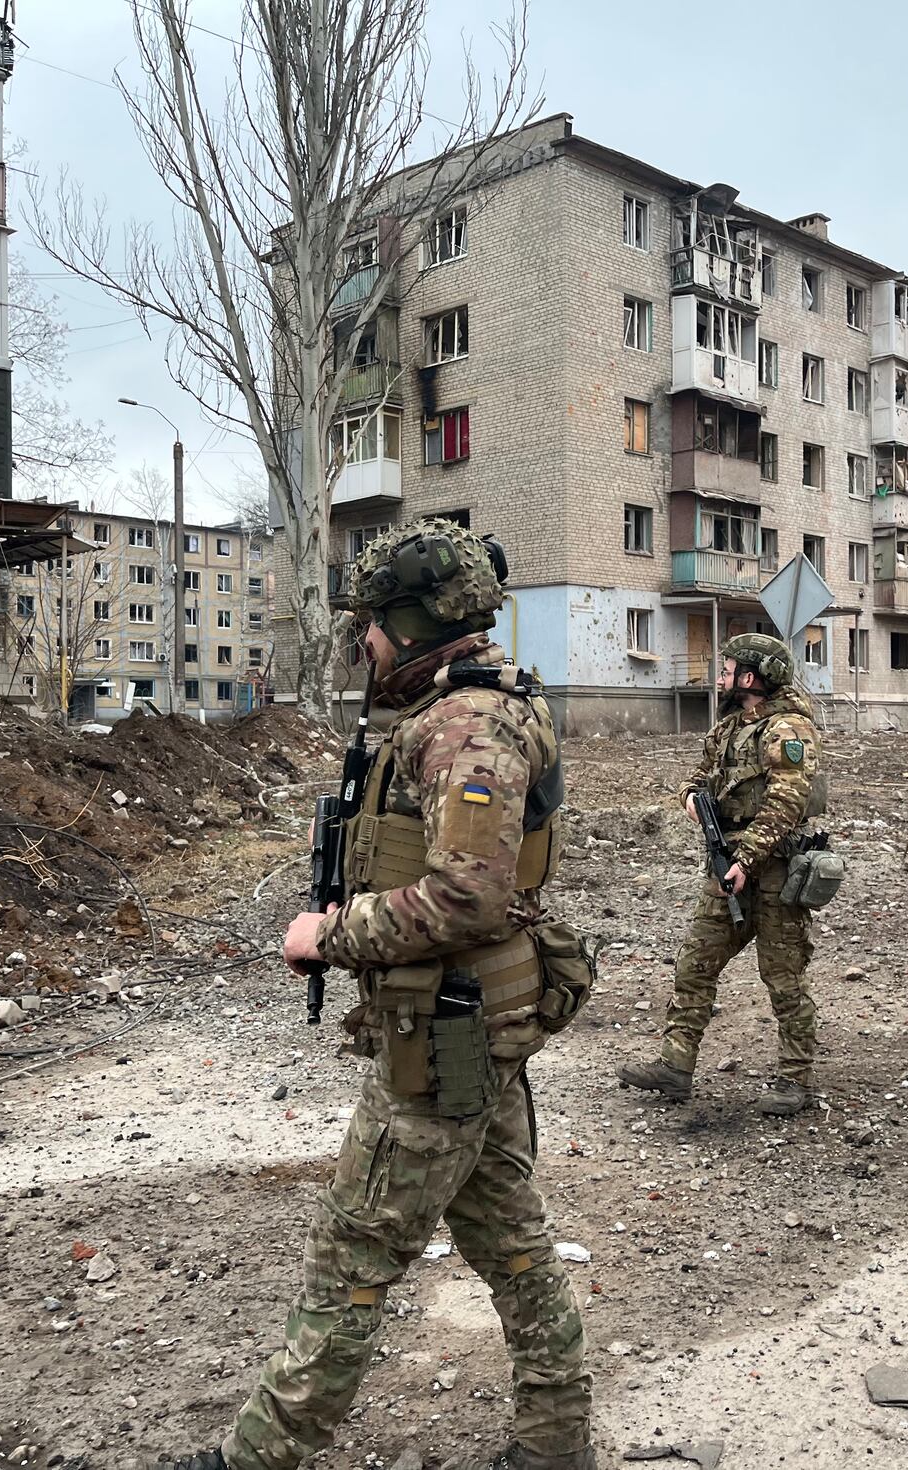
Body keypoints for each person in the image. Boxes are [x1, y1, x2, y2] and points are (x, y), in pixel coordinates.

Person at [154, 519, 595, 1470]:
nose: (364, 642)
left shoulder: (464, 726)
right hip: (477, 1030)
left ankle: (259, 1456)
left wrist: (332, 933)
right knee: (514, 1243)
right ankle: (556, 1445)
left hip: (441, 1040)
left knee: (353, 1257)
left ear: (409, 621)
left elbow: (470, 894)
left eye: (372, 624)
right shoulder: (484, 706)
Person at [616, 632, 822, 1116]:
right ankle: (674, 1066)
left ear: (750, 677)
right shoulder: (728, 729)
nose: (721, 675)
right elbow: (697, 776)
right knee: (695, 964)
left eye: (728, 669)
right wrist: (691, 799)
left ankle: (796, 1082)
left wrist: (746, 862)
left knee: (784, 978)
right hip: (726, 866)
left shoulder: (788, 731)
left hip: (773, 872)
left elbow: (785, 804)